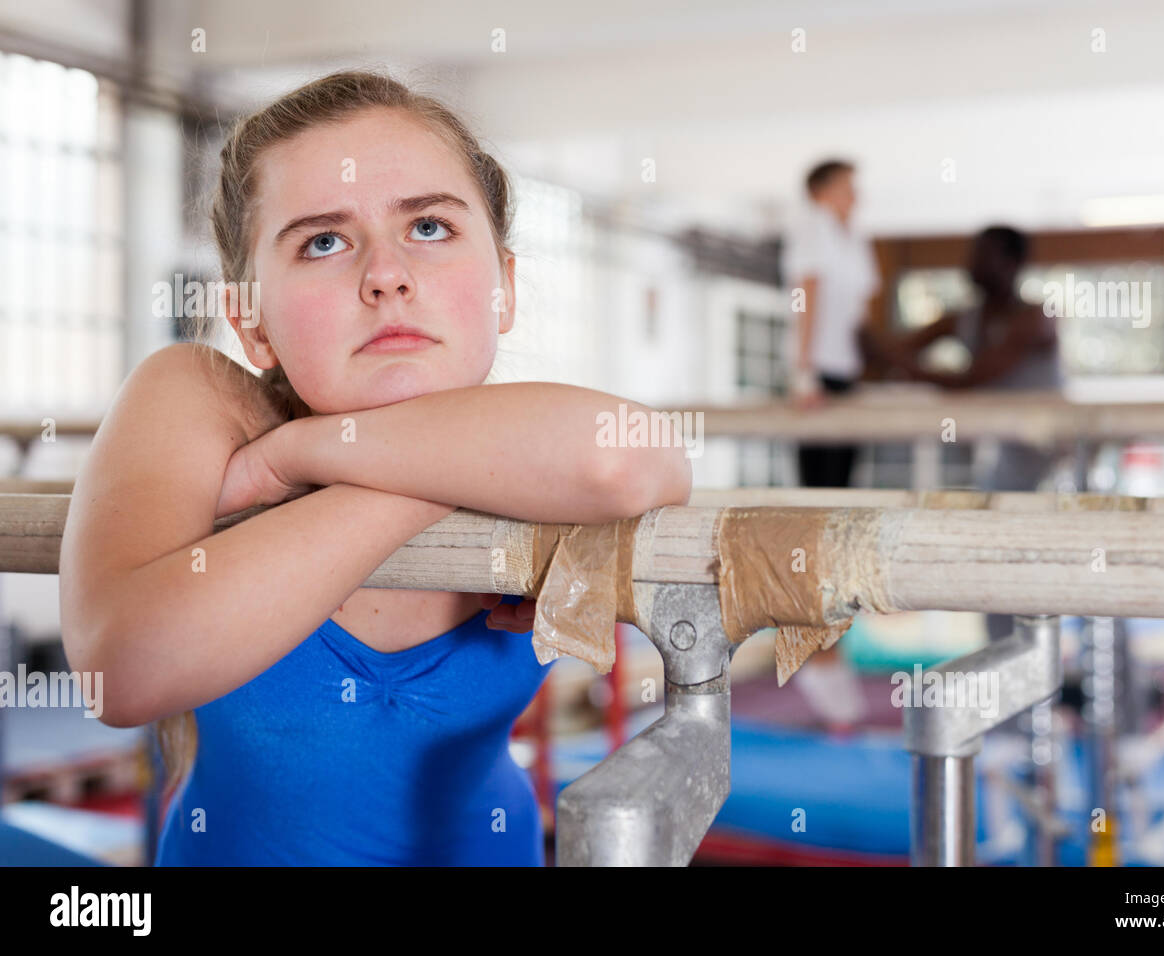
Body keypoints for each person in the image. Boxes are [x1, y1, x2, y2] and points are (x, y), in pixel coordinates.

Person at [57, 70, 693, 865]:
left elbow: (627, 460)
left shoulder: (532, 441)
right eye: (324, 241)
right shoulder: (202, 398)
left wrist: (311, 455)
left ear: (505, 285)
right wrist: (438, 471)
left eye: (428, 227)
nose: (386, 275)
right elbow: (122, 670)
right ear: (251, 324)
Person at [860, 225, 1062, 639]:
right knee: (996, 563)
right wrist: (861, 334)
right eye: (973, 254)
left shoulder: (1036, 318)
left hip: (1055, 465)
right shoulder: (964, 318)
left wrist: (900, 365)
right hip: (1008, 465)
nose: (971, 265)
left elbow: (976, 377)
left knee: (1059, 570)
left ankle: (1096, 678)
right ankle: (1008, 664)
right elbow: (897, 351)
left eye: (983, 255)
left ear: (1012, 263)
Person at [781, 159, 880, 487]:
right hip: (819, 366)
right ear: (820, 191)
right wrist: (804, 372)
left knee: (844, 473)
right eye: (847, 187)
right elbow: (806, 294)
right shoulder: (813, 225)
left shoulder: (854, 236)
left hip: (847, 366)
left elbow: (859, 309)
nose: (855, 195)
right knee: (820, 477)